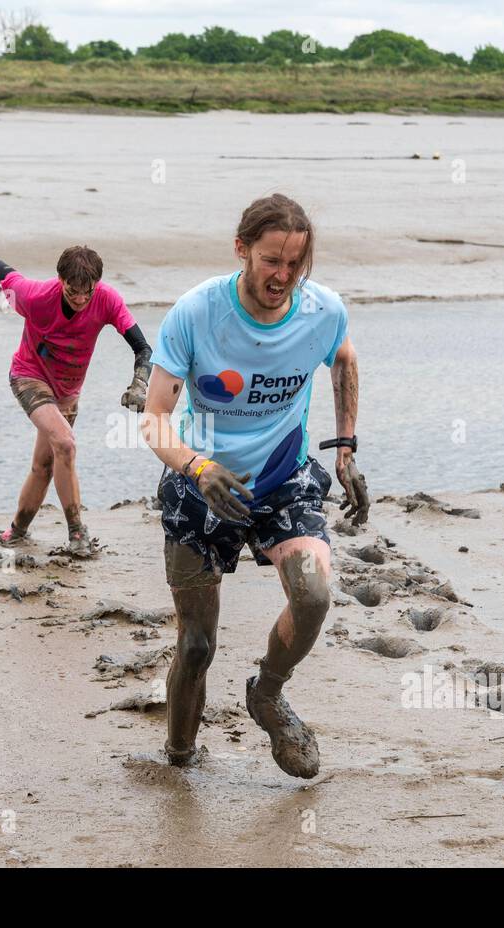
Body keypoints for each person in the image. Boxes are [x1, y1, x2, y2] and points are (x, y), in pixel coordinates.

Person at [139, 194, 370, 777]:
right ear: (241, 249)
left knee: (314, 594)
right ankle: (180, 759)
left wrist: (344, 447)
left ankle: (266, 693)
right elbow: (153, 419)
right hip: (201, 485)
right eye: (272, 261)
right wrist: (196, 468)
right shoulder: (196, 313)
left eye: (296, 263)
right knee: (196, 646)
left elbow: (343, 359)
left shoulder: (323, 310)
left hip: (283, 477)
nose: (284, 276)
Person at [0, 245, 151, 551]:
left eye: (87, 292)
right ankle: (78, 533)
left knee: (44, 465)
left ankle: (17, 531)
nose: (81, 300)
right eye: (73, 291)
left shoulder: (107, 299)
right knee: (66, 444)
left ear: (97, 283)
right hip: (28, 376)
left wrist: (139, 383)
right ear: (60, 280)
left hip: (67, 392)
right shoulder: (34, 296)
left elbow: (143, 349)